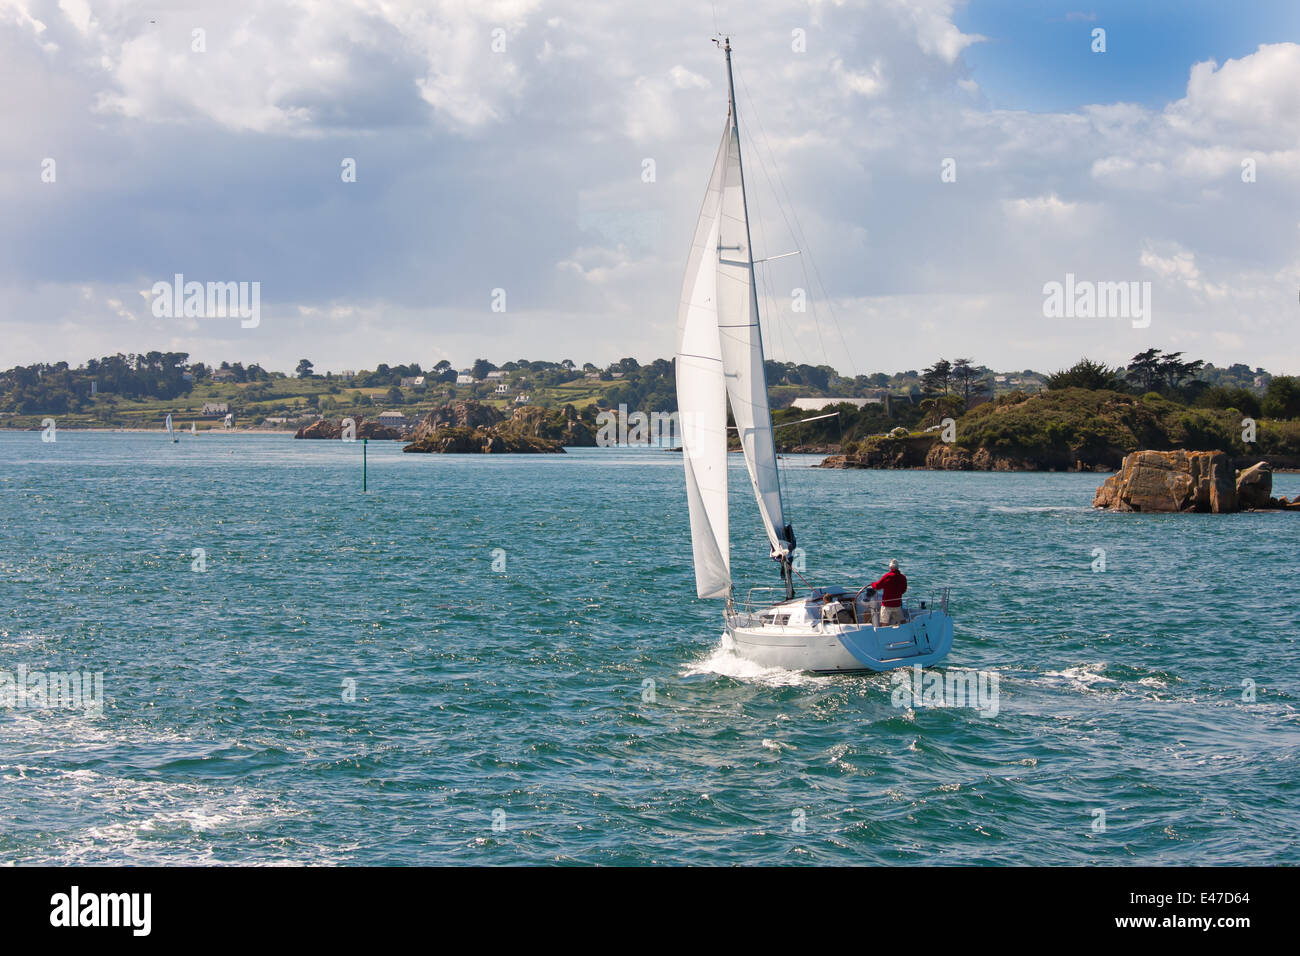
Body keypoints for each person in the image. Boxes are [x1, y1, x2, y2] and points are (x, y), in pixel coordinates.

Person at [871, 559, 907, 626]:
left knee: (884, 622)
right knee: (902, 621)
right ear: (898, 567)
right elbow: (903, 590)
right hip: (897, 604)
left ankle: (884, 634)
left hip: (887, 604)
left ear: (890, 568)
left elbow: (877, 586)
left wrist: (872, 584)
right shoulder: (903, 577)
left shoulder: (887, 576)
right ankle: (906, 629)